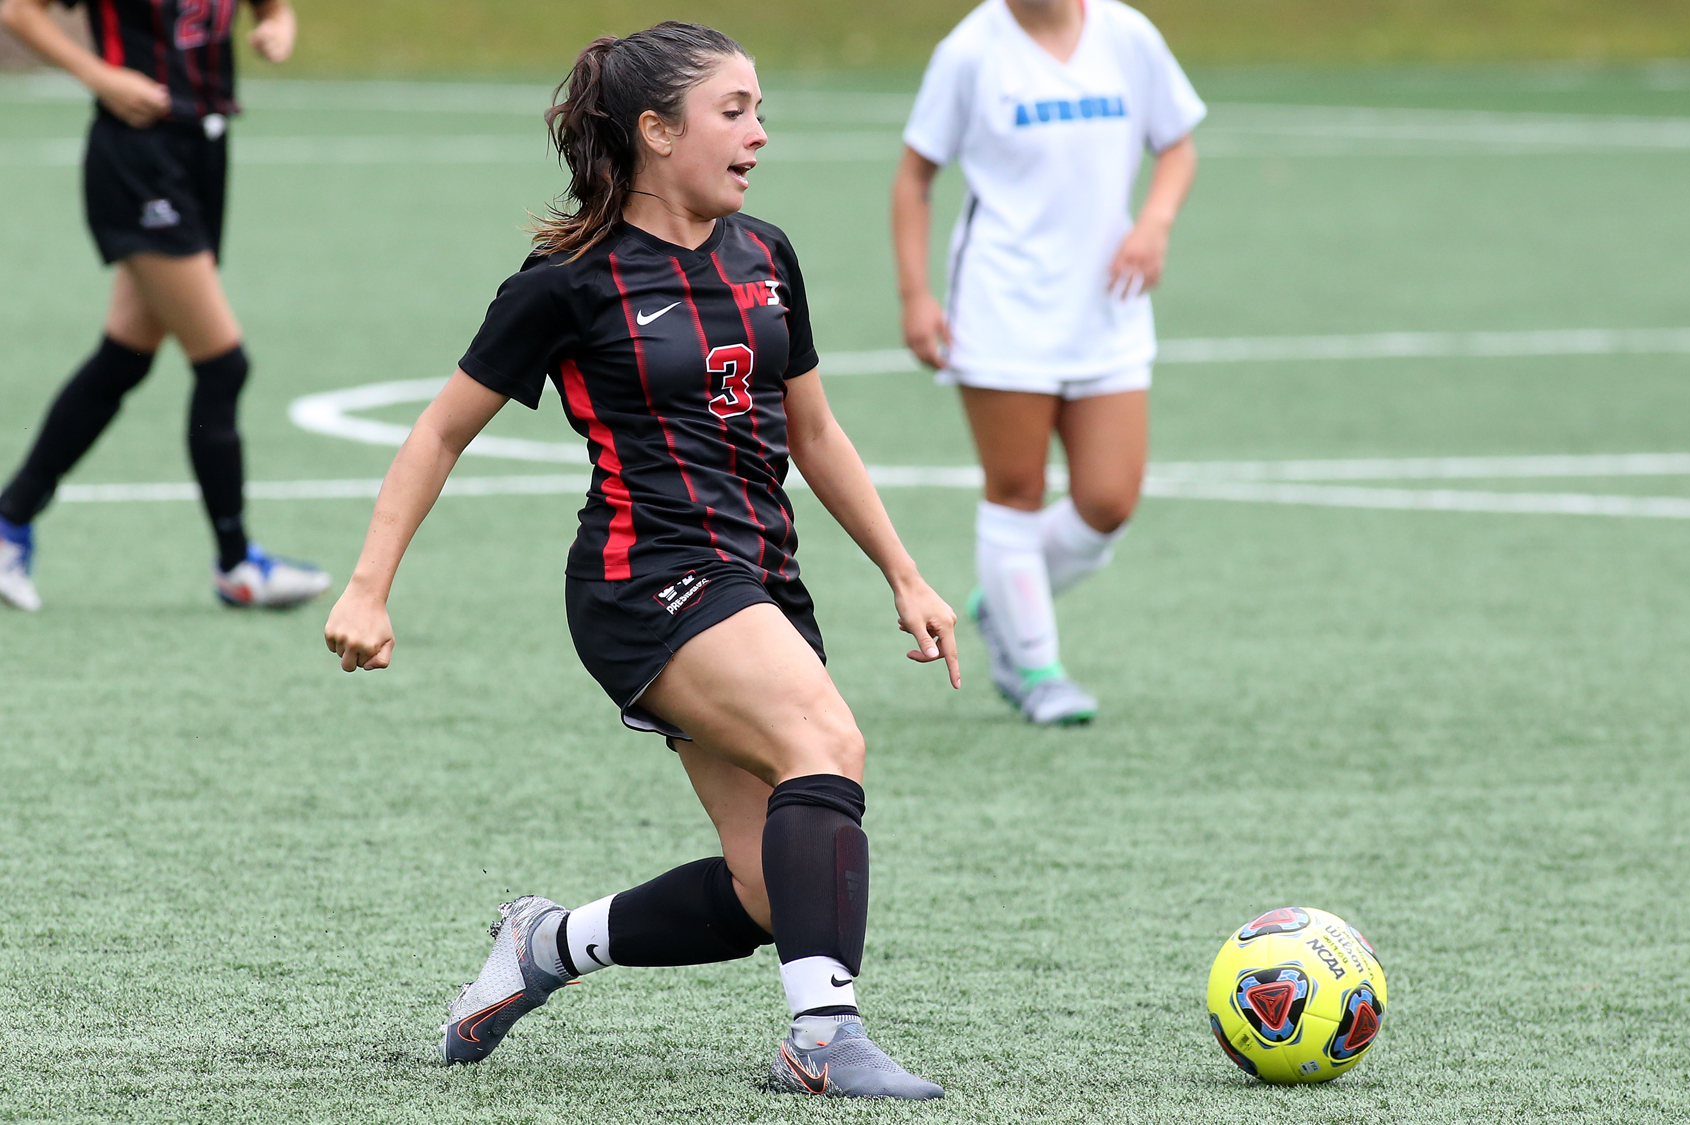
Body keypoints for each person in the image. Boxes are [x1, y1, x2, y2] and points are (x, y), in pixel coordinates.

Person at [321, 23, 958, 1100]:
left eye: (758, 110)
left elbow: (815, 435)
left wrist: (903, 572)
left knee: (768, 891)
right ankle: (821, 1035)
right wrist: (367, 586)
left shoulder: (767, 255)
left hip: (758, 578)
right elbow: (437, 433)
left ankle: (549, 944)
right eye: (735, 111)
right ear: (656, 133)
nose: (760, 133)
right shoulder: (569, 280)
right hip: (643, 577)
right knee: (824, 738)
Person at [891, 0, 1201, 726]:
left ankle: (1003, 604)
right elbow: (914, 177)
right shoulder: (971, 50)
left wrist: (1153, 223)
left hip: (1108, 305)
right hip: (1004, 305)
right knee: (1017, 488)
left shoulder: (1127, 35)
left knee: (1109, 501)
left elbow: (1178, 142)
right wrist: (915, 294)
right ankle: (1038, 668)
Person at [0, 0, 328, 612]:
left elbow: (271, 7)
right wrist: (99, 76)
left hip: (203, 149)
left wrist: (277, 23)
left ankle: (9, 520)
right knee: (223, 363)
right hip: (138, 157)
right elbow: (19, 11)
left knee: (124, 358)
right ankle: (236, 565)